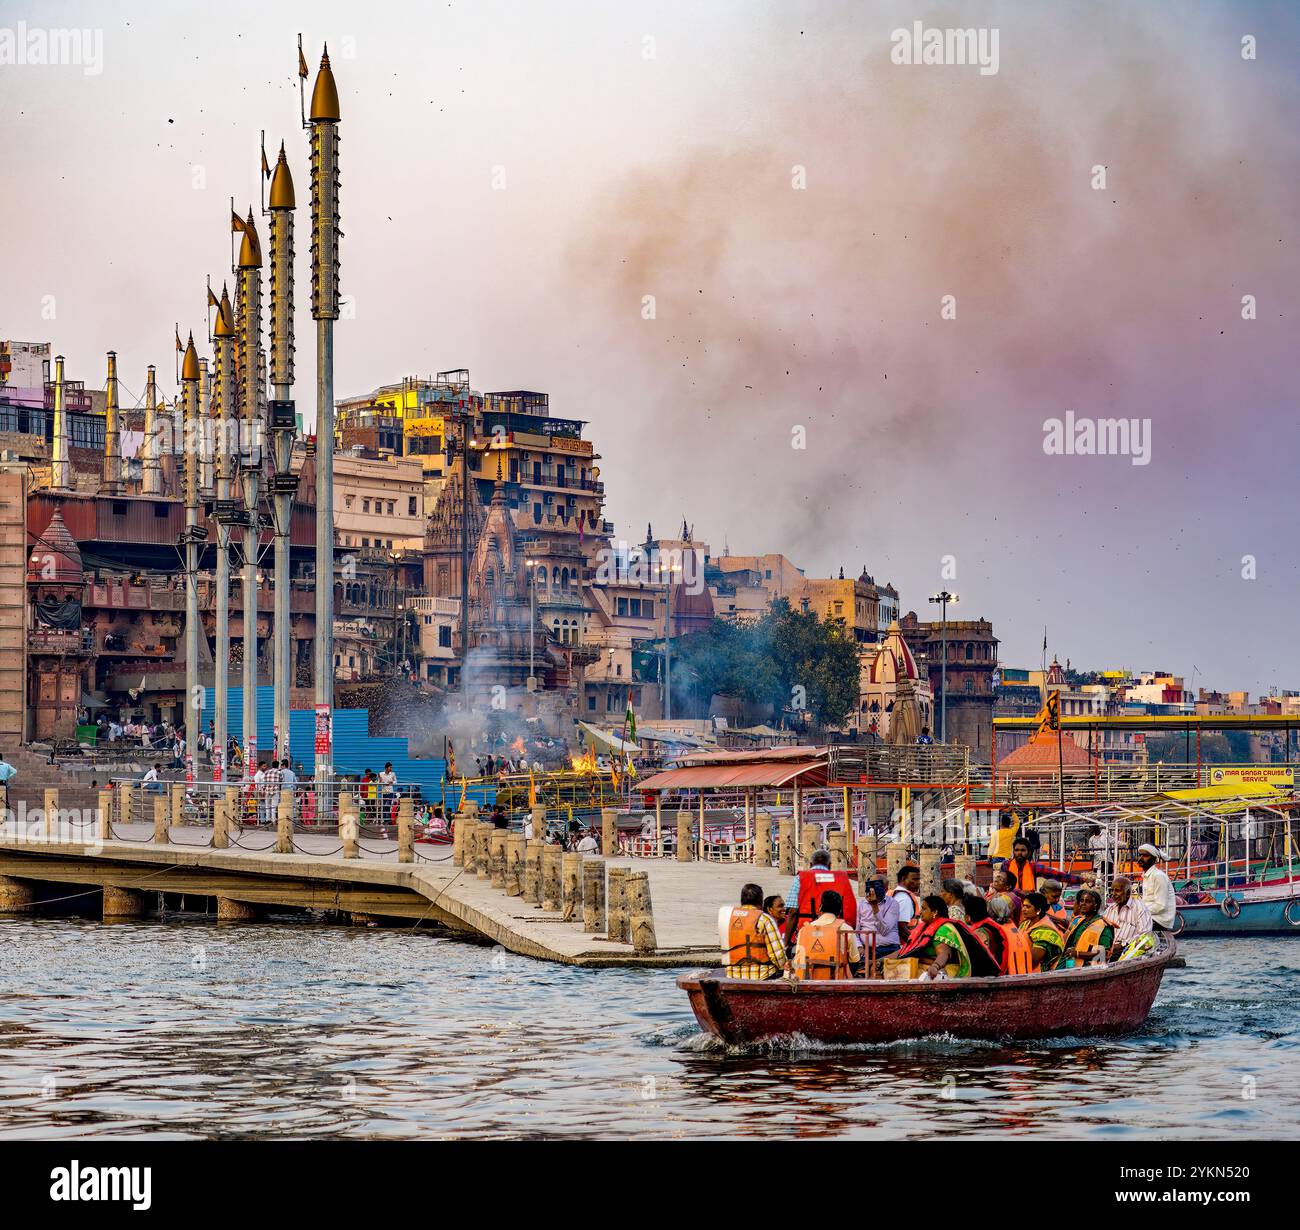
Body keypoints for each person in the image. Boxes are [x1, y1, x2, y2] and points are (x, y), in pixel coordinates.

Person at [894, 896, 999, 979]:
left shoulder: (943, 928)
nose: (920, 912)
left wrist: (935, 967)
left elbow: (944, 954)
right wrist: (881, 959)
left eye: (924, 909)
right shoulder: (923, 927)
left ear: (934, 912)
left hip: (943, 973)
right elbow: (905, 950)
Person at [783, 848, 858, 945]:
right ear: (830, 865)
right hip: (837, 934)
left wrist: (786, 942)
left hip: (807, 932)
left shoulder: (801, 878)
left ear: (810, 865)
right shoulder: (841, 879)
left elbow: (793, 911)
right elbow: (851, 909)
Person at [719, 883, 788, 980]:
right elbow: (778, 955)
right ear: (760, 901)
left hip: (732, 976)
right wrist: (784, 967)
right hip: (762, 976)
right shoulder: (765, 919)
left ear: (742, 900)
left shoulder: (728, 918)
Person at [793, 888, 861, 980]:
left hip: (807, 982)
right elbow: (855, 960)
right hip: (837, 983)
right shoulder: (846, 929)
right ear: (840, 911)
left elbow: (798, 961)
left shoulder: (804, 930)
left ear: (820, 907)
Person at [1001, 837, 1090, 895]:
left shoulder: (1033, 867)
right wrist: (1019, 892)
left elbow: (1057, 875)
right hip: (1009, 904)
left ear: (1028, 852)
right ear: (1013, 852)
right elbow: (1002, 885)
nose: (1019, 853)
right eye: (1017, 850)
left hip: (1029, 905)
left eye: (1022, 850)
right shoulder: (1006, 865)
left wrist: (1081, 880)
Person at [1059, 887, 1115, 968]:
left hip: (1087, 969)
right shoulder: (1078, 921)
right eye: (1081, 901)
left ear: (1095, 905)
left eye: (1088, 902)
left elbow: (1104, 953)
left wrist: (1078, 954)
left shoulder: (1103, 925)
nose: (1083, 904)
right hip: (1068, 963)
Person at [1102, 875, 1153, 959]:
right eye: (1112, 891)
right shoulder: (1110, 909)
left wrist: (1123, 944)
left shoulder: (1139, 908)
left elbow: (1145, 935)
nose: (1113, 894)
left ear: (1128, 893)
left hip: (1126, 950)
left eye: (1117, 891)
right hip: (1108, 949)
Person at [855, 878, 901, 962]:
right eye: (872, 886)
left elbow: (884, 930)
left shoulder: (893, 904)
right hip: (866, 950)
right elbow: (855, 930)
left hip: (889, 949)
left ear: (886, 889)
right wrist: (859, 946)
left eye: (878, 886)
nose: (873, 890)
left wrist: (874, 906)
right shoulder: (860, 904)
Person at [1019, 891, 1065, 971]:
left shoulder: (1045, 932)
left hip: (1037, 974)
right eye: (1023, 906)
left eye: (1028, 907)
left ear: (1038, 910)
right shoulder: (1026, 923)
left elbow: (1032, 961)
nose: (1023, 909)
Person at [1135, 843, 1176, 932]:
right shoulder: (1147, 876)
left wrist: (1138, 912)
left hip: (1159, 921)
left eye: (1145, 856)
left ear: (1154, 859)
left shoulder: (1158, 876)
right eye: (1140, 855)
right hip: (1149, 917)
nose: (1141, 858)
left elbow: (1160, 906)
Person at [963, 893, 1006, 972]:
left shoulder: (980, 931)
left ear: (967, 917)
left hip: (991, 975)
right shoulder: (990, 924)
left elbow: (978, 959)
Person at [890, 864, 922, 942]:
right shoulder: (905, 899)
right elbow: (901, 928)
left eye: (918, 879)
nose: (918, 882)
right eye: (915, 879)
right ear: (903, 879)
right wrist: (915, 944)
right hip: (902, 945)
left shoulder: (892, 893)